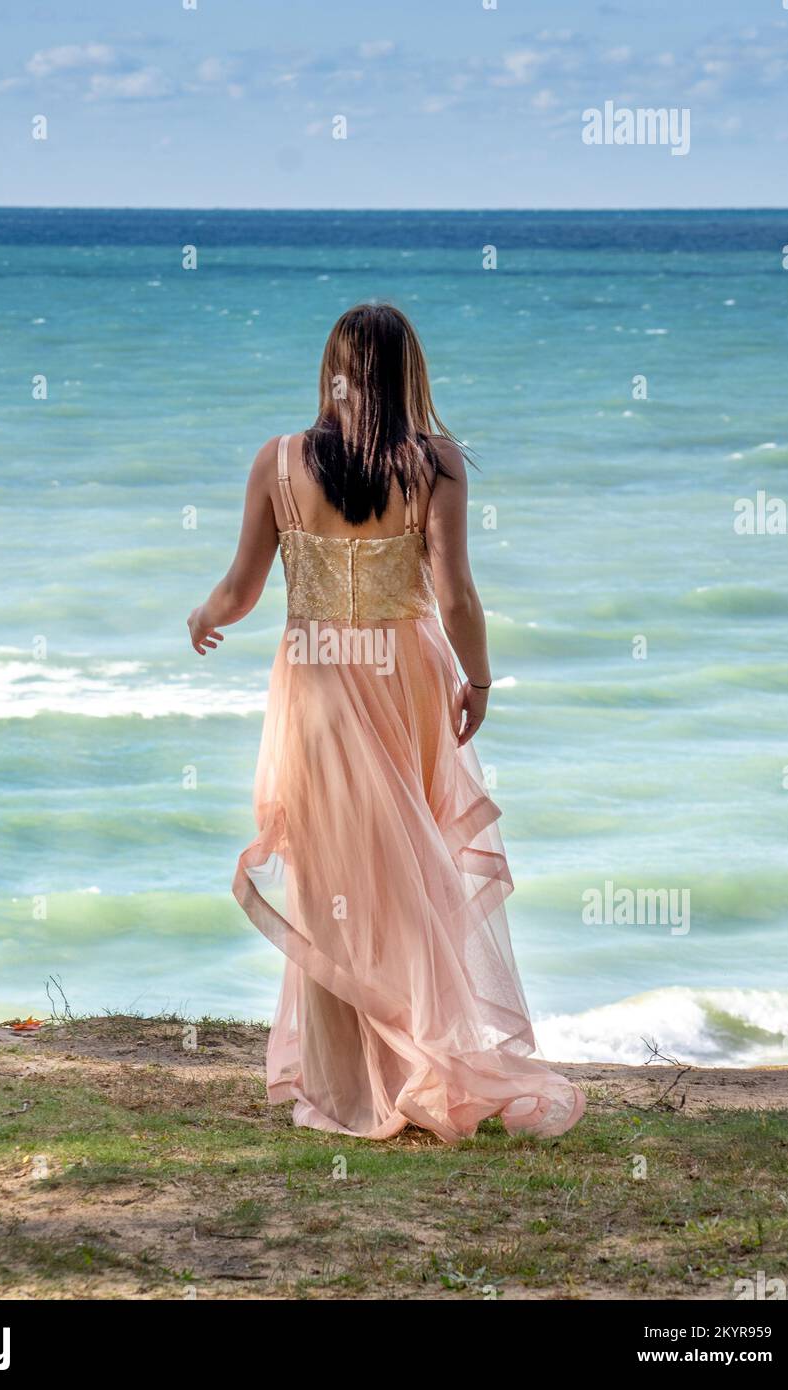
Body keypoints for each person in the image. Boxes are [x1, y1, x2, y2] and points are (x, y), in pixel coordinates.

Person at [188, 303, 584, 1142]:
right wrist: (478, 677)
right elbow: (455, 594)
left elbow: (242, 589)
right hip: (401, 671)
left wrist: (203, 616)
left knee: (335, 875)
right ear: (409, 373)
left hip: (318, 678)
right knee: (408, 867)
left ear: (331, 369)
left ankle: (351, 1086)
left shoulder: (278, 460)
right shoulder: (433, 463)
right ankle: (412, 1065)